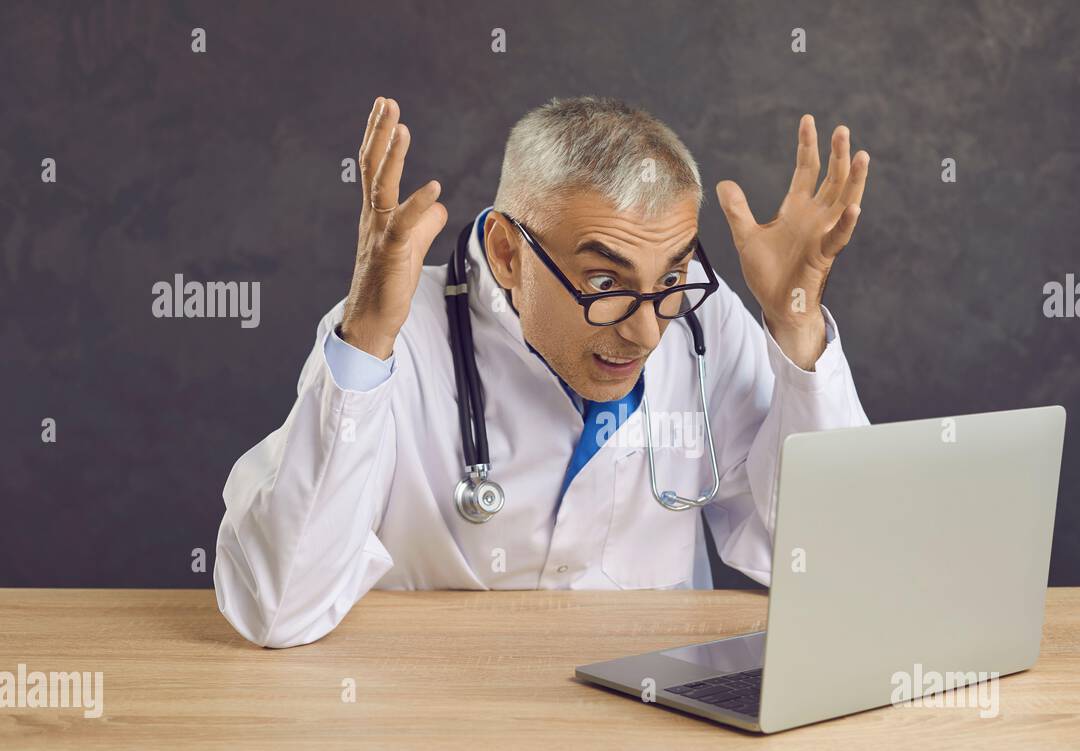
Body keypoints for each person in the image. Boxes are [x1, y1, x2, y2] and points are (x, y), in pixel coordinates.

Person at [214, 95, 871, 648]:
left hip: (658, 725)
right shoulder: (395, 335)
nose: (646, 331)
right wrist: (363, 343)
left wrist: (796, 324)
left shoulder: (703, 320)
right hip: (429, 723)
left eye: (671, 276)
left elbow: (836, 564)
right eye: (605, 280)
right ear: (506, 252)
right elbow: (278, 608)